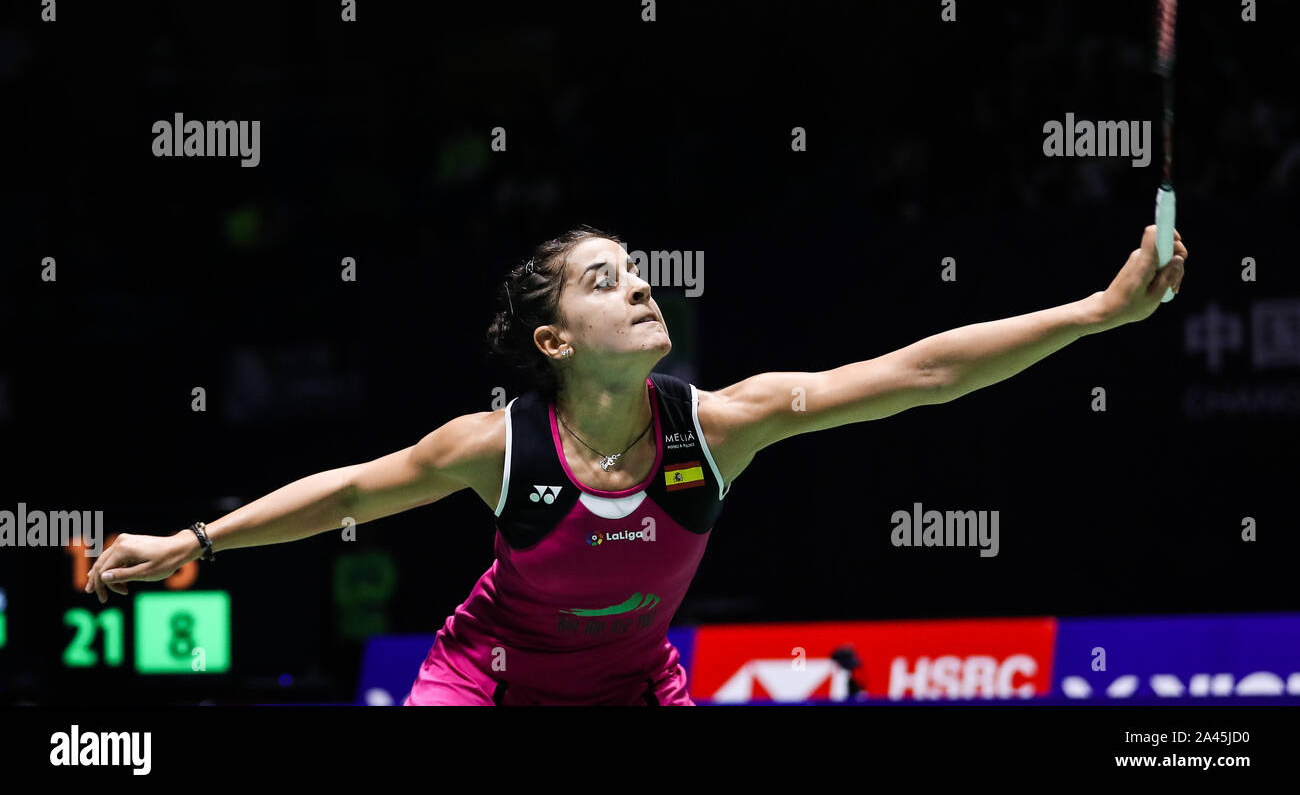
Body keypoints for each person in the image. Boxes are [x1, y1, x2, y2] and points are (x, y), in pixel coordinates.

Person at [83, 222, 1188, 705]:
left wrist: (1095, 312)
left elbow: (921, 372)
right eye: (606, 281)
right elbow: (351, 491)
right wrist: (196, 541)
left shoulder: (718, 426)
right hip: (486, 684)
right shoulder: (498, 446)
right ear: (554, 342)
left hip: (631, 690)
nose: (641, 285)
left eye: (639, 271)